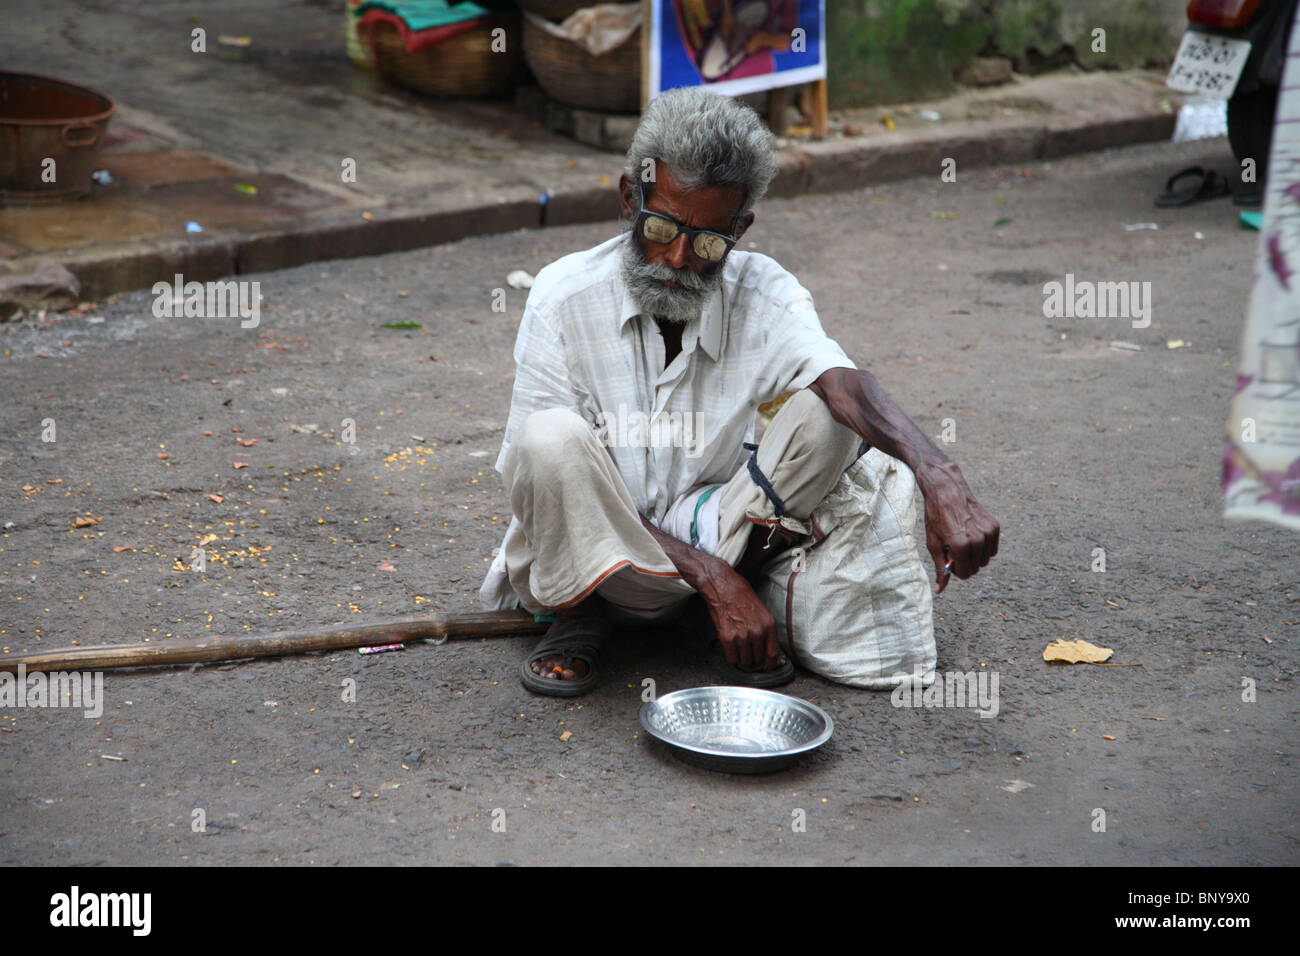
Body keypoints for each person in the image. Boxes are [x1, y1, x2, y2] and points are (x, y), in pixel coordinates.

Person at [479, 87, 999, 696]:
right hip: (589, 555)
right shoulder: (561, 296)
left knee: (829, 414)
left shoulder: (766, 292)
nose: (677, 258)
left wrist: (939, 475)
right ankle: (582, 615)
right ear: (629, 199)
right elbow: (533, 471)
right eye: (660, 226)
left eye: (707, 243)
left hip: (715, 534)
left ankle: (721, 600)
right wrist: (714, 579)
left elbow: (845, 384)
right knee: (547, 439)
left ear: (739, 228)